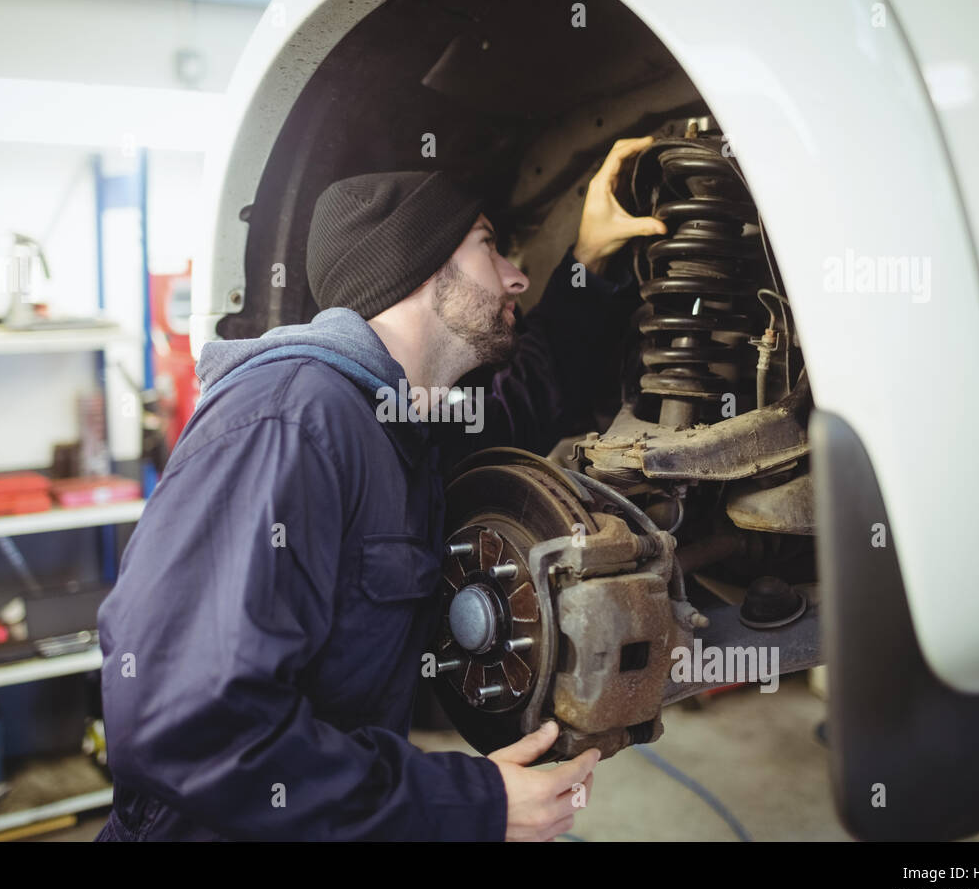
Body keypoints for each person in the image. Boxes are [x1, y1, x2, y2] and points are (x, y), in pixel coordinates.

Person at [95, 138, 667, 841]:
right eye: (491, 247)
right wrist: (469, 804)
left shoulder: (399, 427)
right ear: (422, 265)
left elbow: (529, 396)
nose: (517, 277)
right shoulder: (291, 420)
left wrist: (589, 264)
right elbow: (185, 728)